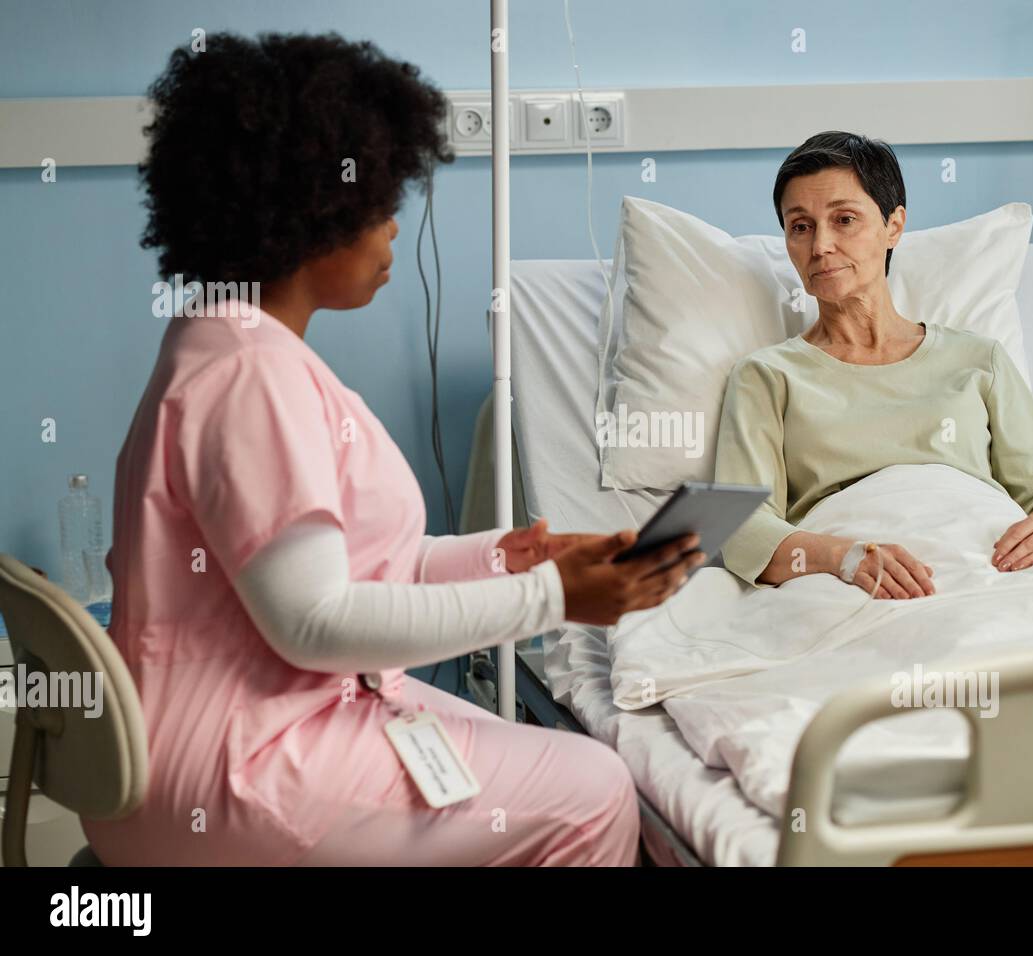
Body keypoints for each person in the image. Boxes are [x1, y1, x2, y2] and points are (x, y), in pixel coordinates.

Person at [83, 32, 702, 867]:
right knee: (593, 793)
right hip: (240, 771)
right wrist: (552, 598)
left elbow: (340, 573)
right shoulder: (252, 376)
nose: (391, 234)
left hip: (184, 751)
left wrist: (508, 559)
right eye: (378, 206)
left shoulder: (217, 340)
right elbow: (317, 622)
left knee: (535, 760)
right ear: (314, 213)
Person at [716, 131, 1033, 597]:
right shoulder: (768, 377)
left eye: (845, 219)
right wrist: (845, 558)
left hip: (993, 570)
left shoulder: (979, 360)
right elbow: (741, 531)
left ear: (894, 226)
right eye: (801, 227)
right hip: (853, 586)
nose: (820, 247)